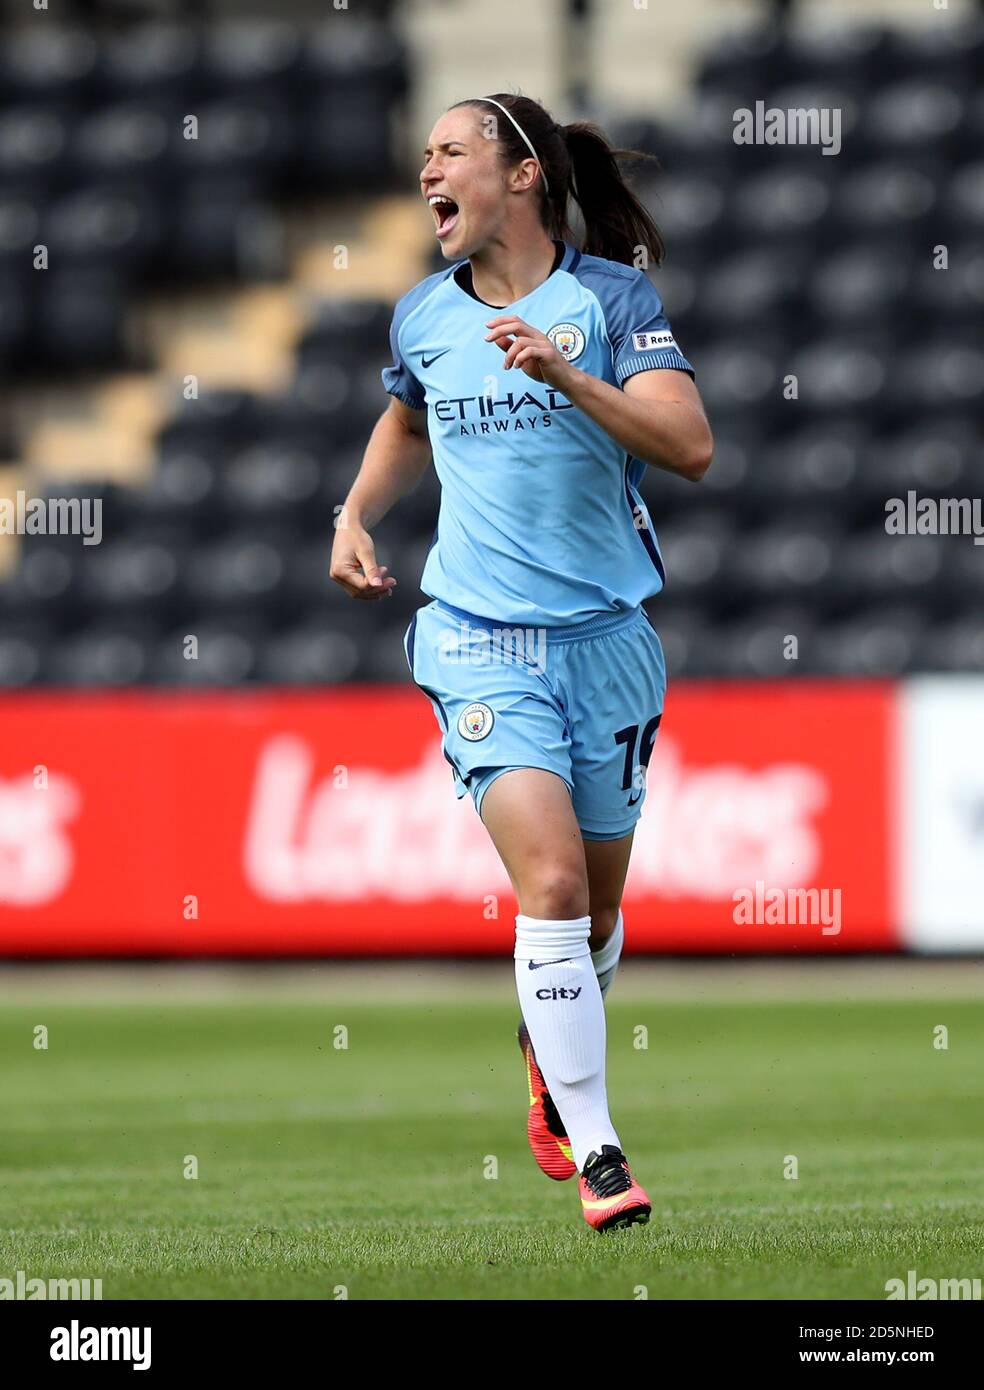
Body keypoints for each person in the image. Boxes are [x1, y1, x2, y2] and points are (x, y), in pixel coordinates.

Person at [331, 92, 713, 1232]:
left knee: (592, 914)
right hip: (477, 640)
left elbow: (689, 446)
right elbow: (410, 416)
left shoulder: (610, 301)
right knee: (546, 886)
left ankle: (553, 1049)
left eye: (450, 152)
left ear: (523, 175)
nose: (427, 173)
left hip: (606, 642)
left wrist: (566, 376)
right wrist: (354, 513)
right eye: (425, 158)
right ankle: (599, 1147)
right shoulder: (422, 316)